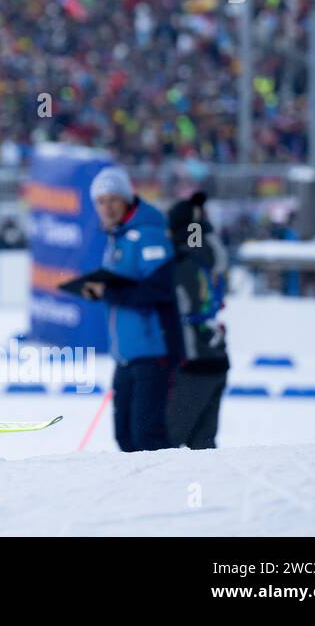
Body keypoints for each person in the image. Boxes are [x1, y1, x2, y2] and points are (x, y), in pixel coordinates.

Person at [81, 165, 179, 453]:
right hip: (126, 355)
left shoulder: (148, 233)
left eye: (113, 199)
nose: (107, 207)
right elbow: (125, 288)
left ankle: (167, 492)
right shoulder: (117, 239)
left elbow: (161, 289)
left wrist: (110, 291)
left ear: (126, 200)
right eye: (100, 201)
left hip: (153, 351)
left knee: (147, 437)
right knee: (125, 437)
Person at [165, 191, 230, 449]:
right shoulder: (208, 255)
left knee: (163, 446)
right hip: (217, 356)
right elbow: (207, 247)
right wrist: (198, 220)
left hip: (193, 362)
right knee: (203, 446)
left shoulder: (180, 262)